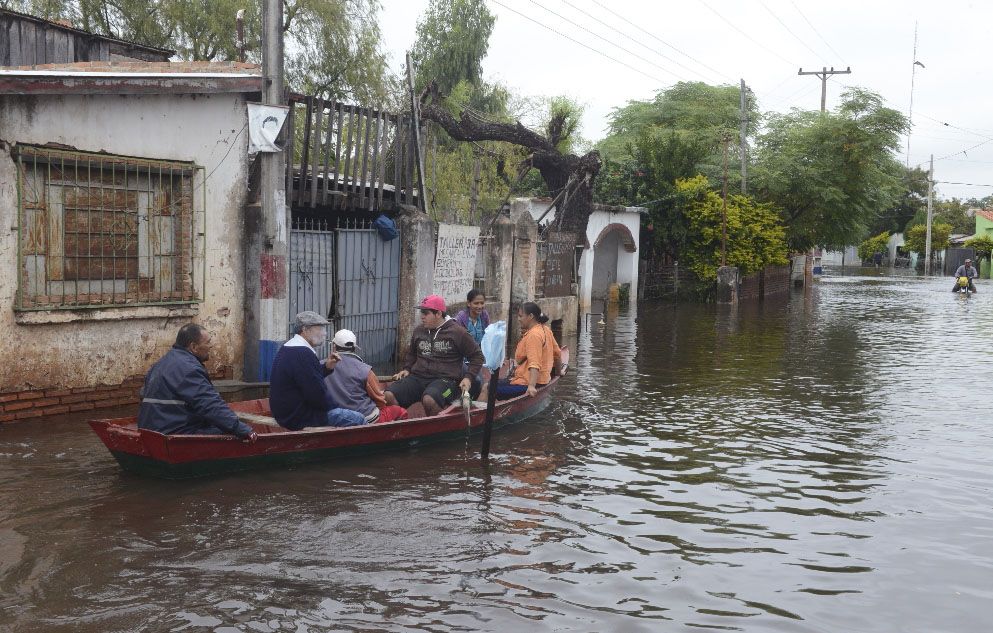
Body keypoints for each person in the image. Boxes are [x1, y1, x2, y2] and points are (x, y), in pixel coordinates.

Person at [138, 323, 257, 442]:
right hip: (173, 433)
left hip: (150, 430)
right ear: (194, 347)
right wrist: (244, 430)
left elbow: (143, 394)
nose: (211, 346)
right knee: (226, 431)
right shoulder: (189, 369)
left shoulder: (159, 364)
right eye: (208, 342)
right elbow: (210, 405)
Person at [384, 294, 485, 416]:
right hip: (418, 377)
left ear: (438, 314)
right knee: (388, 396)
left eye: (426, 313)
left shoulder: (457, 332)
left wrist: (468, 377)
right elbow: (412, 353)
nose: (422, 317)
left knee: (429, 400)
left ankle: (438, 429)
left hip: (446, 381)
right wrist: (407, 369)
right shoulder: (419, 331)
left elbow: (477, 356)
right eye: (422, 313)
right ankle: (402, 426)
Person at [269, 311, 367, 430]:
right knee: (358, 418)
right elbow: (317, 394)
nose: (324, 333)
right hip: (297, 417)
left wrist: (326, 367)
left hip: (286, 413)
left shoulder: (289, 347)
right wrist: (336, 407)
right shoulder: (303, 353)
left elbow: (307, 378)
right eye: (320, 328)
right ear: (305, 330)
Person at [324, 329, 408, 424]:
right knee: (400, 411)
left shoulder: (320, 365)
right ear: (354, 348)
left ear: (334, 347)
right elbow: (380, 401)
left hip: (332, 417)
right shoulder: (365, 370)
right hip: (364, 417)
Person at [488, 302, 561, 400]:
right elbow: (558, 354)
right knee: (495, 382)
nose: (518, 319)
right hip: (542, 379)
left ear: (530, 316)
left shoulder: (533, 335)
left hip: (527, 383)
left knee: (487, 387)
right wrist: (558, 373)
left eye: (520, 316)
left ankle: (478, 413)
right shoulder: (545, 329)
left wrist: (531, 386)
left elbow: (534, 363)